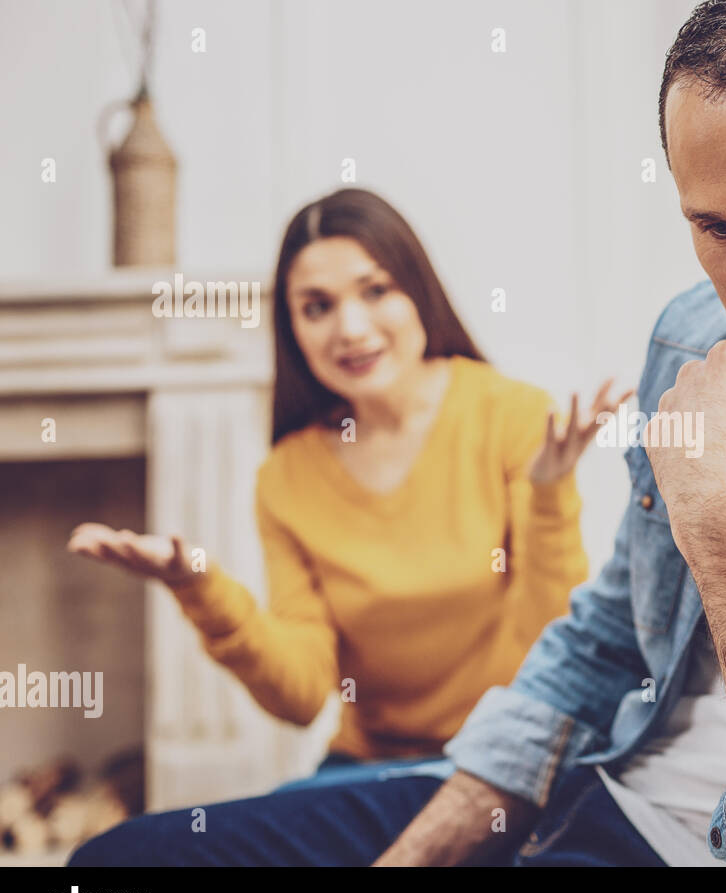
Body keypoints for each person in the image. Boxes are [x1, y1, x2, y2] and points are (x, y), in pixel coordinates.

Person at [72, 0, 726, 867]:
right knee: (118, 873)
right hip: (584, 784)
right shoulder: (692, 334)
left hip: (722, 846)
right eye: (717, 228)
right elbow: (606, 638)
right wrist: (422, 850)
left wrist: (722, 517)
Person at [66, 188, 624, 832]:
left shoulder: (511, 416)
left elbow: (546, 648)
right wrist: (199, 587)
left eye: (375, 290)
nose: (351, 328)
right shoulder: (288, 475)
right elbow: (303, 694)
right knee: (120, 857)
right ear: (292, 327)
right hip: (371, 770)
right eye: (318, 307)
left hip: (510, 765)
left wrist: (550, 493)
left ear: (417, 289)